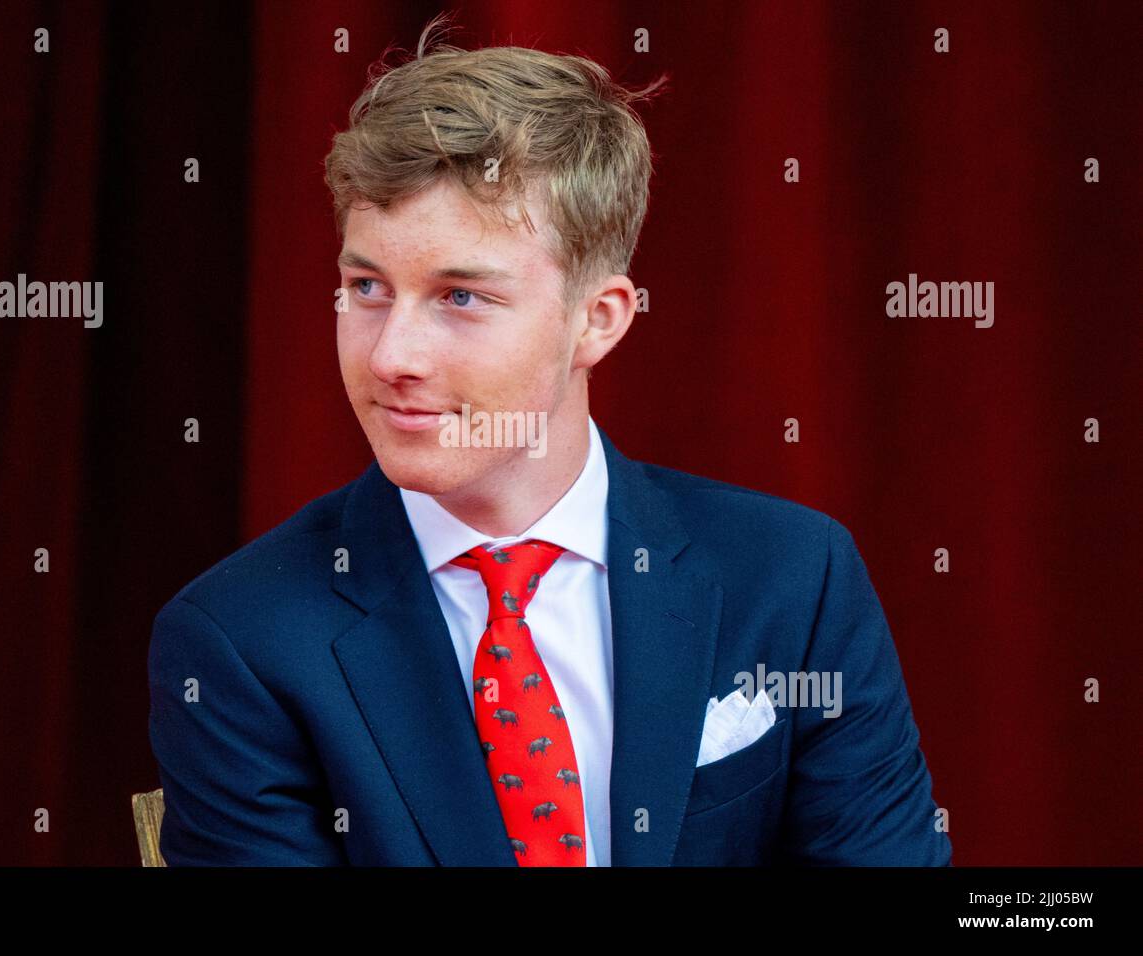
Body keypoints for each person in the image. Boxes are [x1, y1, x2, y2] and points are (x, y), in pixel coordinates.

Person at [147, 16, 952, 867]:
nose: (390, 356)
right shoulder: (239, 641)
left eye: (460, 297)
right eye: (366, 286)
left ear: (596, 322)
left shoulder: (794, 579)